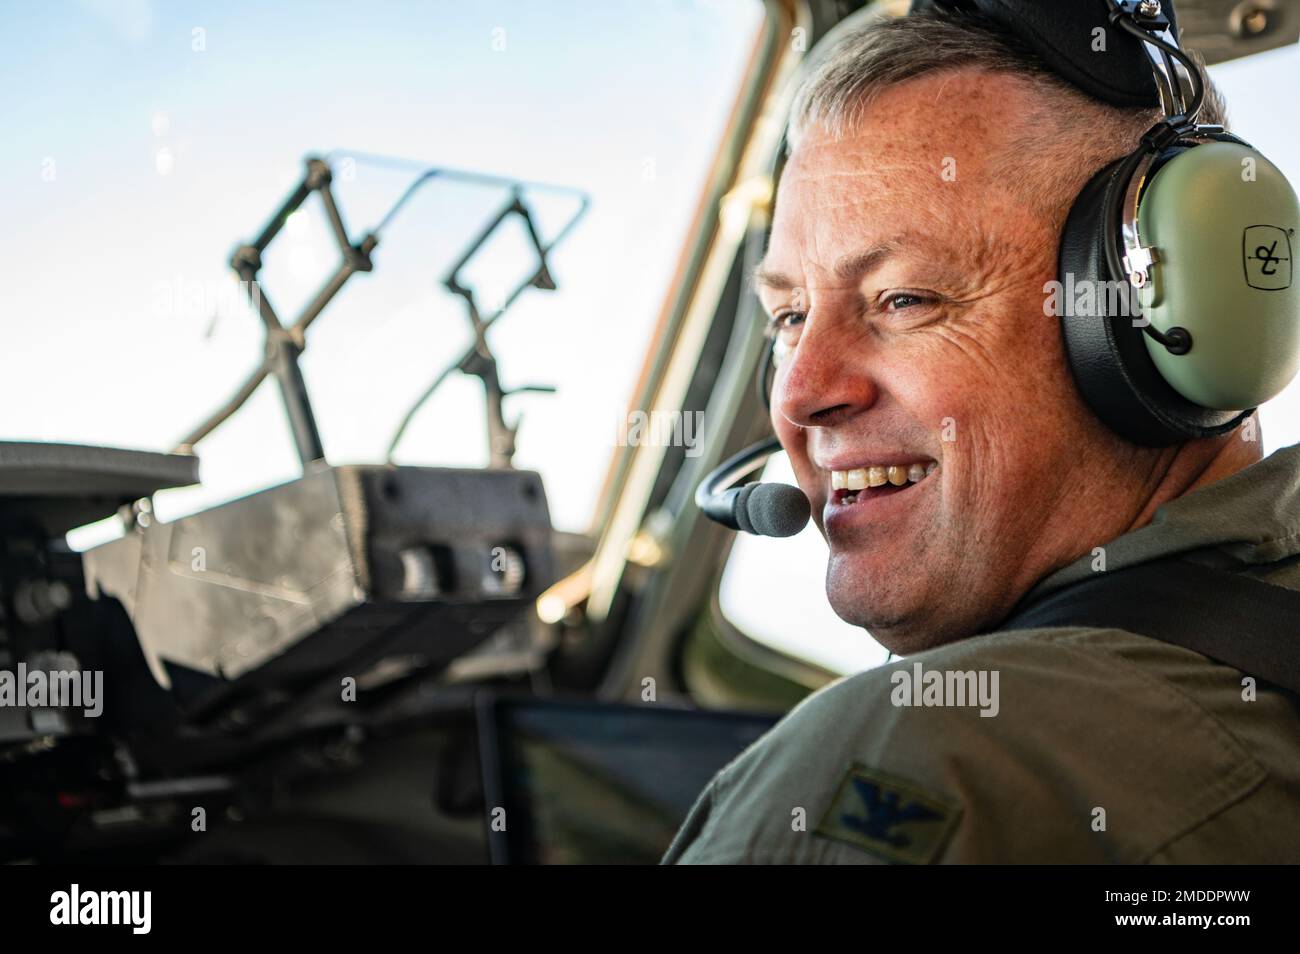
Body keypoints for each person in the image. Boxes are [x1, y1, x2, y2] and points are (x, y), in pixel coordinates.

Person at [664, 7, 1300, 864]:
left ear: (1155, 318)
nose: (804, 396)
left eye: (906, 299)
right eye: (788, 317)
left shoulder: (915, 759)